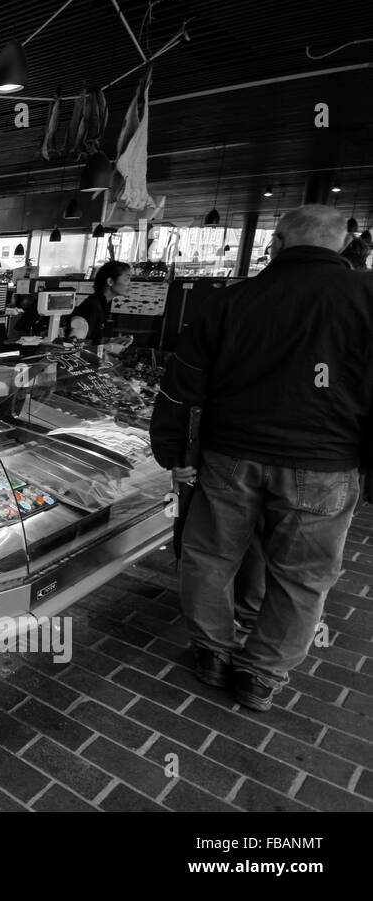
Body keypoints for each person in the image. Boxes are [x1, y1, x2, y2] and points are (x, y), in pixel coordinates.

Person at [150, 204, 373, 712]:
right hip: (326, 464)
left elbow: (182, 387)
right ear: (341, 244)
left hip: (229, 456)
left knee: (210, 556)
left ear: (276, 243)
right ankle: (261, 675)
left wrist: (172, 451)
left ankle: (212, 653)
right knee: (303, 578)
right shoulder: (367, 297)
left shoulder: (232, 300)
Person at [69, 260, 130, 346]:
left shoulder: (102, 303)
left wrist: (112, 341)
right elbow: (75, 345)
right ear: (110, 282)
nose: (129, 283)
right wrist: (108, 347)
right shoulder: (92, 306)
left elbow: (93, 338)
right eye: (127, 279)